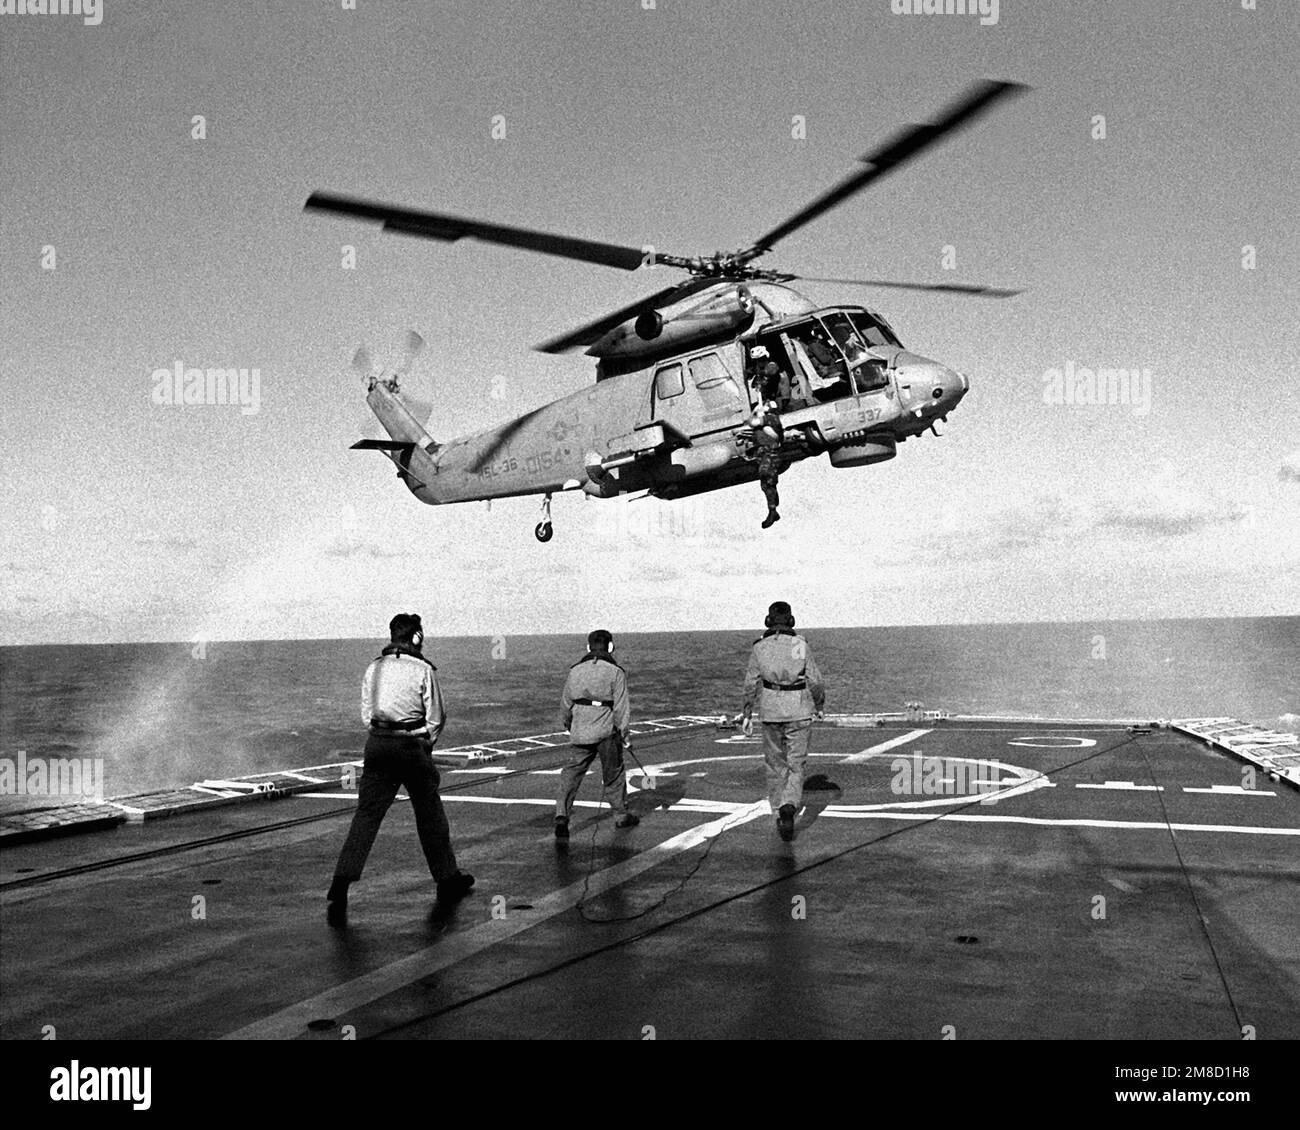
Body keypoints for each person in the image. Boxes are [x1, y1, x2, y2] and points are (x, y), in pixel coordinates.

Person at [326, 613, 474, 926]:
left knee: (366, 816)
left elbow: (367, 714)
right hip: (411, 747)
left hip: (377, 745)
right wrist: (425, 744)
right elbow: (436, 716)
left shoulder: (373, 667)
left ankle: (341, 882)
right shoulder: (422, 669)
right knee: (429, 814)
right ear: (417, 637)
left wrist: (381, 733)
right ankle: (447, 879)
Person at [740, 601, 826, 842]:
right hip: (798, 710)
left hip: (770, 711)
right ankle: (790, 804)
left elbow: (750, 684)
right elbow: (815, 681)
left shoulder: (760, 647)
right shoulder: (799, 644)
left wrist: (746, 712)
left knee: (775, 763)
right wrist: (819, 705)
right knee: (796, 764)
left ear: (768, 621)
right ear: (791, 621)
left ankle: (779, 809)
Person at [555, 629, 638, 840]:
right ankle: (620, 815)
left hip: (580, 731)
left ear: (588, 647)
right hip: (605, 731)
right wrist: (624, 736)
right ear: (610, 647)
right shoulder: (615, 672)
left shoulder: (575, 671)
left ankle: (562, 817)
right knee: (614, 773)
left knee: (570, 775)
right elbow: (621, 708)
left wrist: (570, 726)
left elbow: (566, 705)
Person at [748, 403, 785, 529]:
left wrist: (755, 410)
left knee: (766, 479)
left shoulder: (771, 418)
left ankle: (773, 511)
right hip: (764, 455)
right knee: (767, 483)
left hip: (770, 455)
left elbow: (752, 422)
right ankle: (773, 505)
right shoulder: (769, 420)